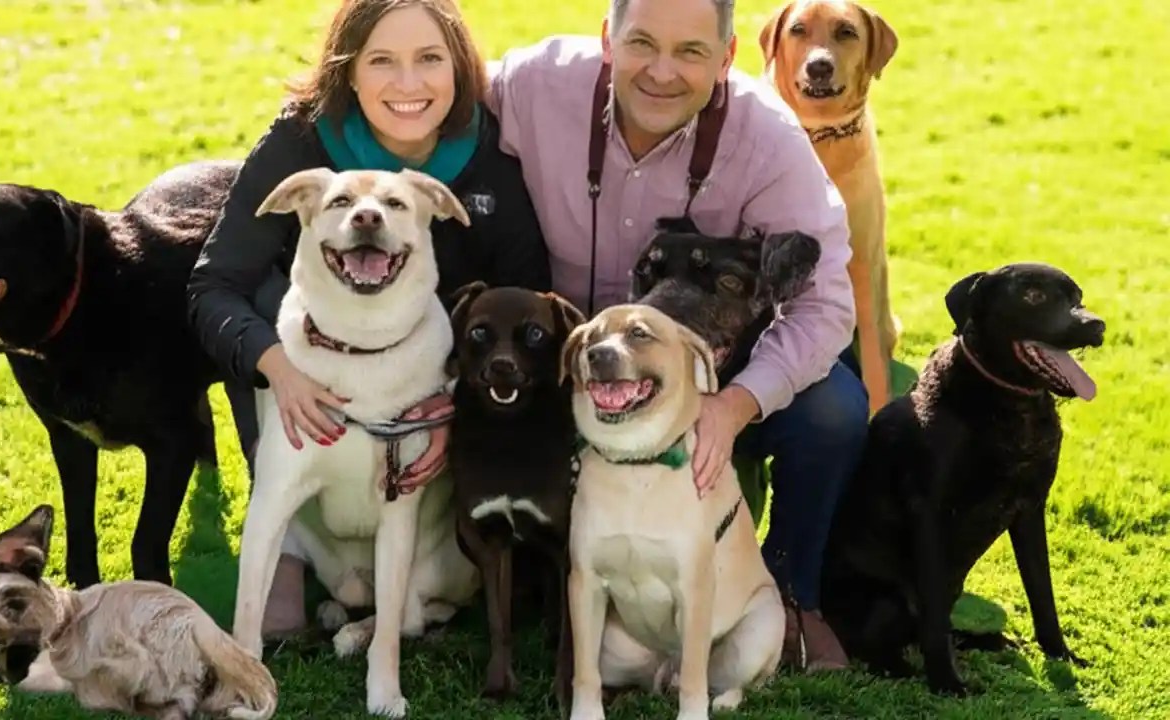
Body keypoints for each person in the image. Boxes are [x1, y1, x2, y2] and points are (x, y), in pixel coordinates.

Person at [486, 0, 866, 669]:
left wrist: (735, 403)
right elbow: (420, 96)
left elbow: (828, 306)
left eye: (691, 51)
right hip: (569, 360)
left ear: (727, 57)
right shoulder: (531, 85)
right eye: (641, 43)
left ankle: (790, 593)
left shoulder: (769, 141)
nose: (662, 72)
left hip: (711, 368)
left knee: (832, 411)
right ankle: (501, 583)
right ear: (607, 38)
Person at [187, 0, 551, 638]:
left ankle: (432, 568)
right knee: (268, 315)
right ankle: (291, 551)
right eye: (381, 61)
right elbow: (215, 286)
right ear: (347, 72)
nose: (408, 85)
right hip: (310, 352)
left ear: (460, 68)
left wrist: (455, 408)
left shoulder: (489, 149)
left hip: (427, 364)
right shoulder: (302, 139)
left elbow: (525, 299)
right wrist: (279, 367)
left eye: (430, 60)